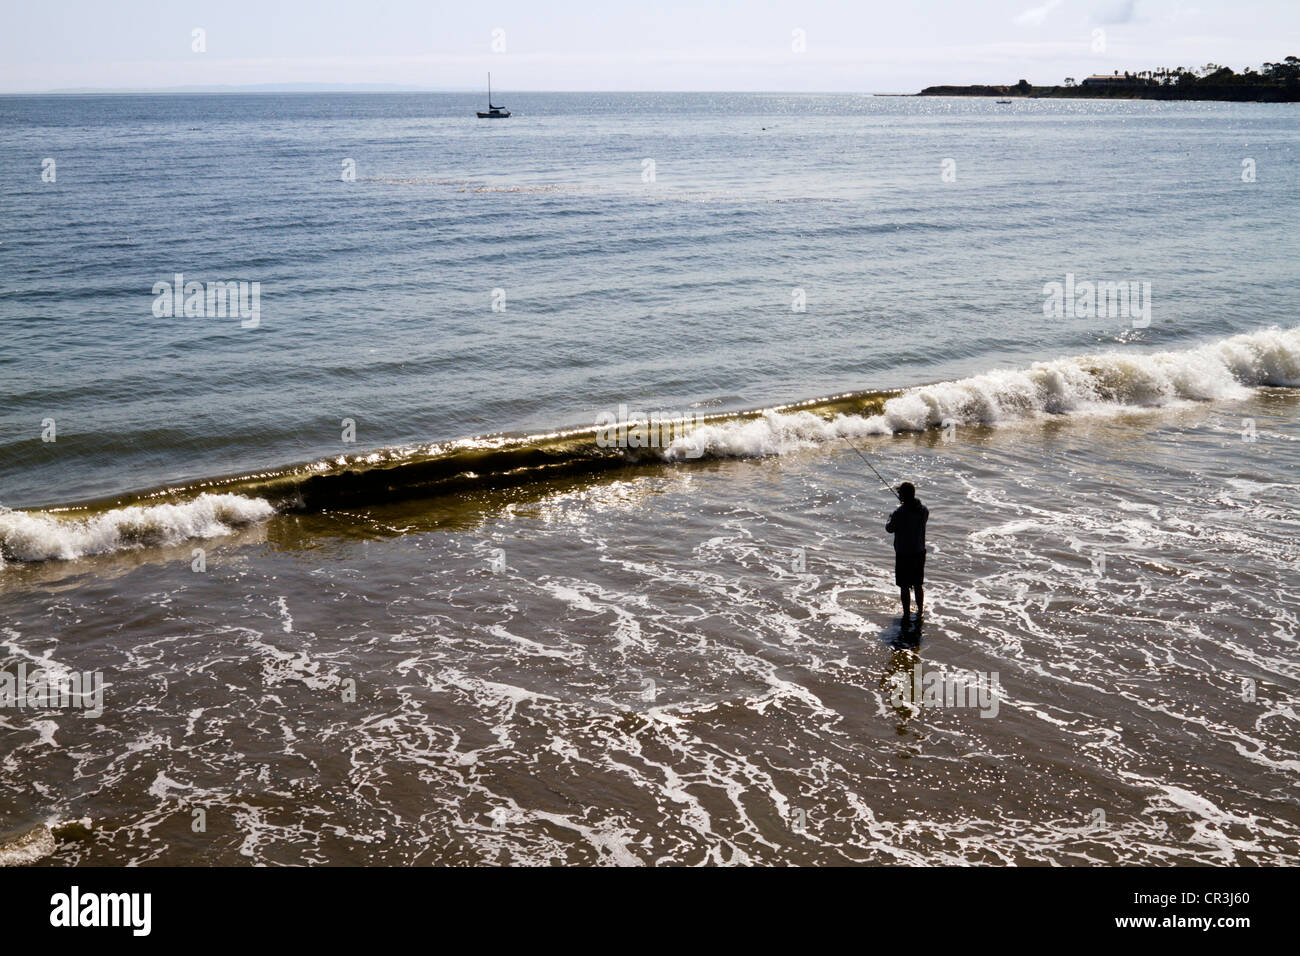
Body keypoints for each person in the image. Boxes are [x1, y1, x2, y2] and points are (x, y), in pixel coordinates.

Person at [886, 482, 929, 627]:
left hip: (904, 553)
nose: (898, 495)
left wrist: (890, 515)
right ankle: (920, 610)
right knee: (918, 584)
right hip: (919, 552)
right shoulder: (923, 510)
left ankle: (906, 614)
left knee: (904, 586)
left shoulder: (898, 512)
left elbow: (889, 528)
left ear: (903, 495)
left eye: (900, 494)